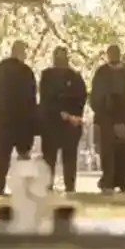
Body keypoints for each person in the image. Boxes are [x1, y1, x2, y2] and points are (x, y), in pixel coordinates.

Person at [0, 40, 37, 196]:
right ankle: (24, 188)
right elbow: (31, 98)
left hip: (4, 120)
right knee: (24, 155)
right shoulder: (26, 72)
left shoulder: (1, 69)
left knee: (1, 155)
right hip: (22, 120)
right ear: (21, 52)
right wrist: (33, 121)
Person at [39, 45, 87, 192]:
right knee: (49, 159)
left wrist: (74, 116)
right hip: (51, 123)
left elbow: (81, 98)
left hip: (69, 124)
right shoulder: (46, 76)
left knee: (70, 158)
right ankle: (48, 185)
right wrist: (61, 113)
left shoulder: (75, 77)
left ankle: (70, 186)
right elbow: (45, 99)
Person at [90, 43, 125, 194]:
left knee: (117, 151)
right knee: (112, 152)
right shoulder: (123, 73)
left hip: (114, 119)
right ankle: (112, 180)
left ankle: (117, 181)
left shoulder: (108, 73)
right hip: (110, 119)